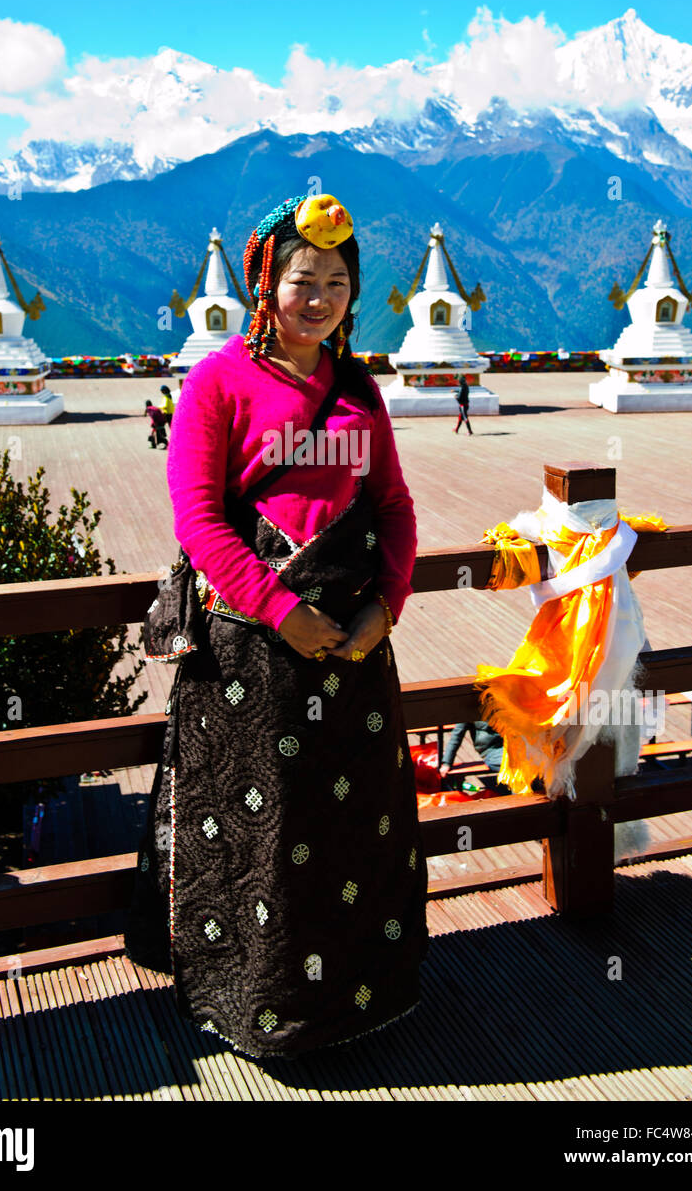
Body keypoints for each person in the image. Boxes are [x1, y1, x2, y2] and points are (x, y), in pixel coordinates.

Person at [125, 192, 429, 1059]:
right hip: (250, 655)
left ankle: (360, 1000)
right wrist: (281, 610)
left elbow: (394, 507)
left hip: (355, 653)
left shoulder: (358, 387)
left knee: (354, 830)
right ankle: (259, 1008)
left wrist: (387, 605)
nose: (321, 298)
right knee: (264, 838)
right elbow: (200, 522)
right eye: (304, 279)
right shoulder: (218, 382)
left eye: (338, 282)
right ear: (266, 280)